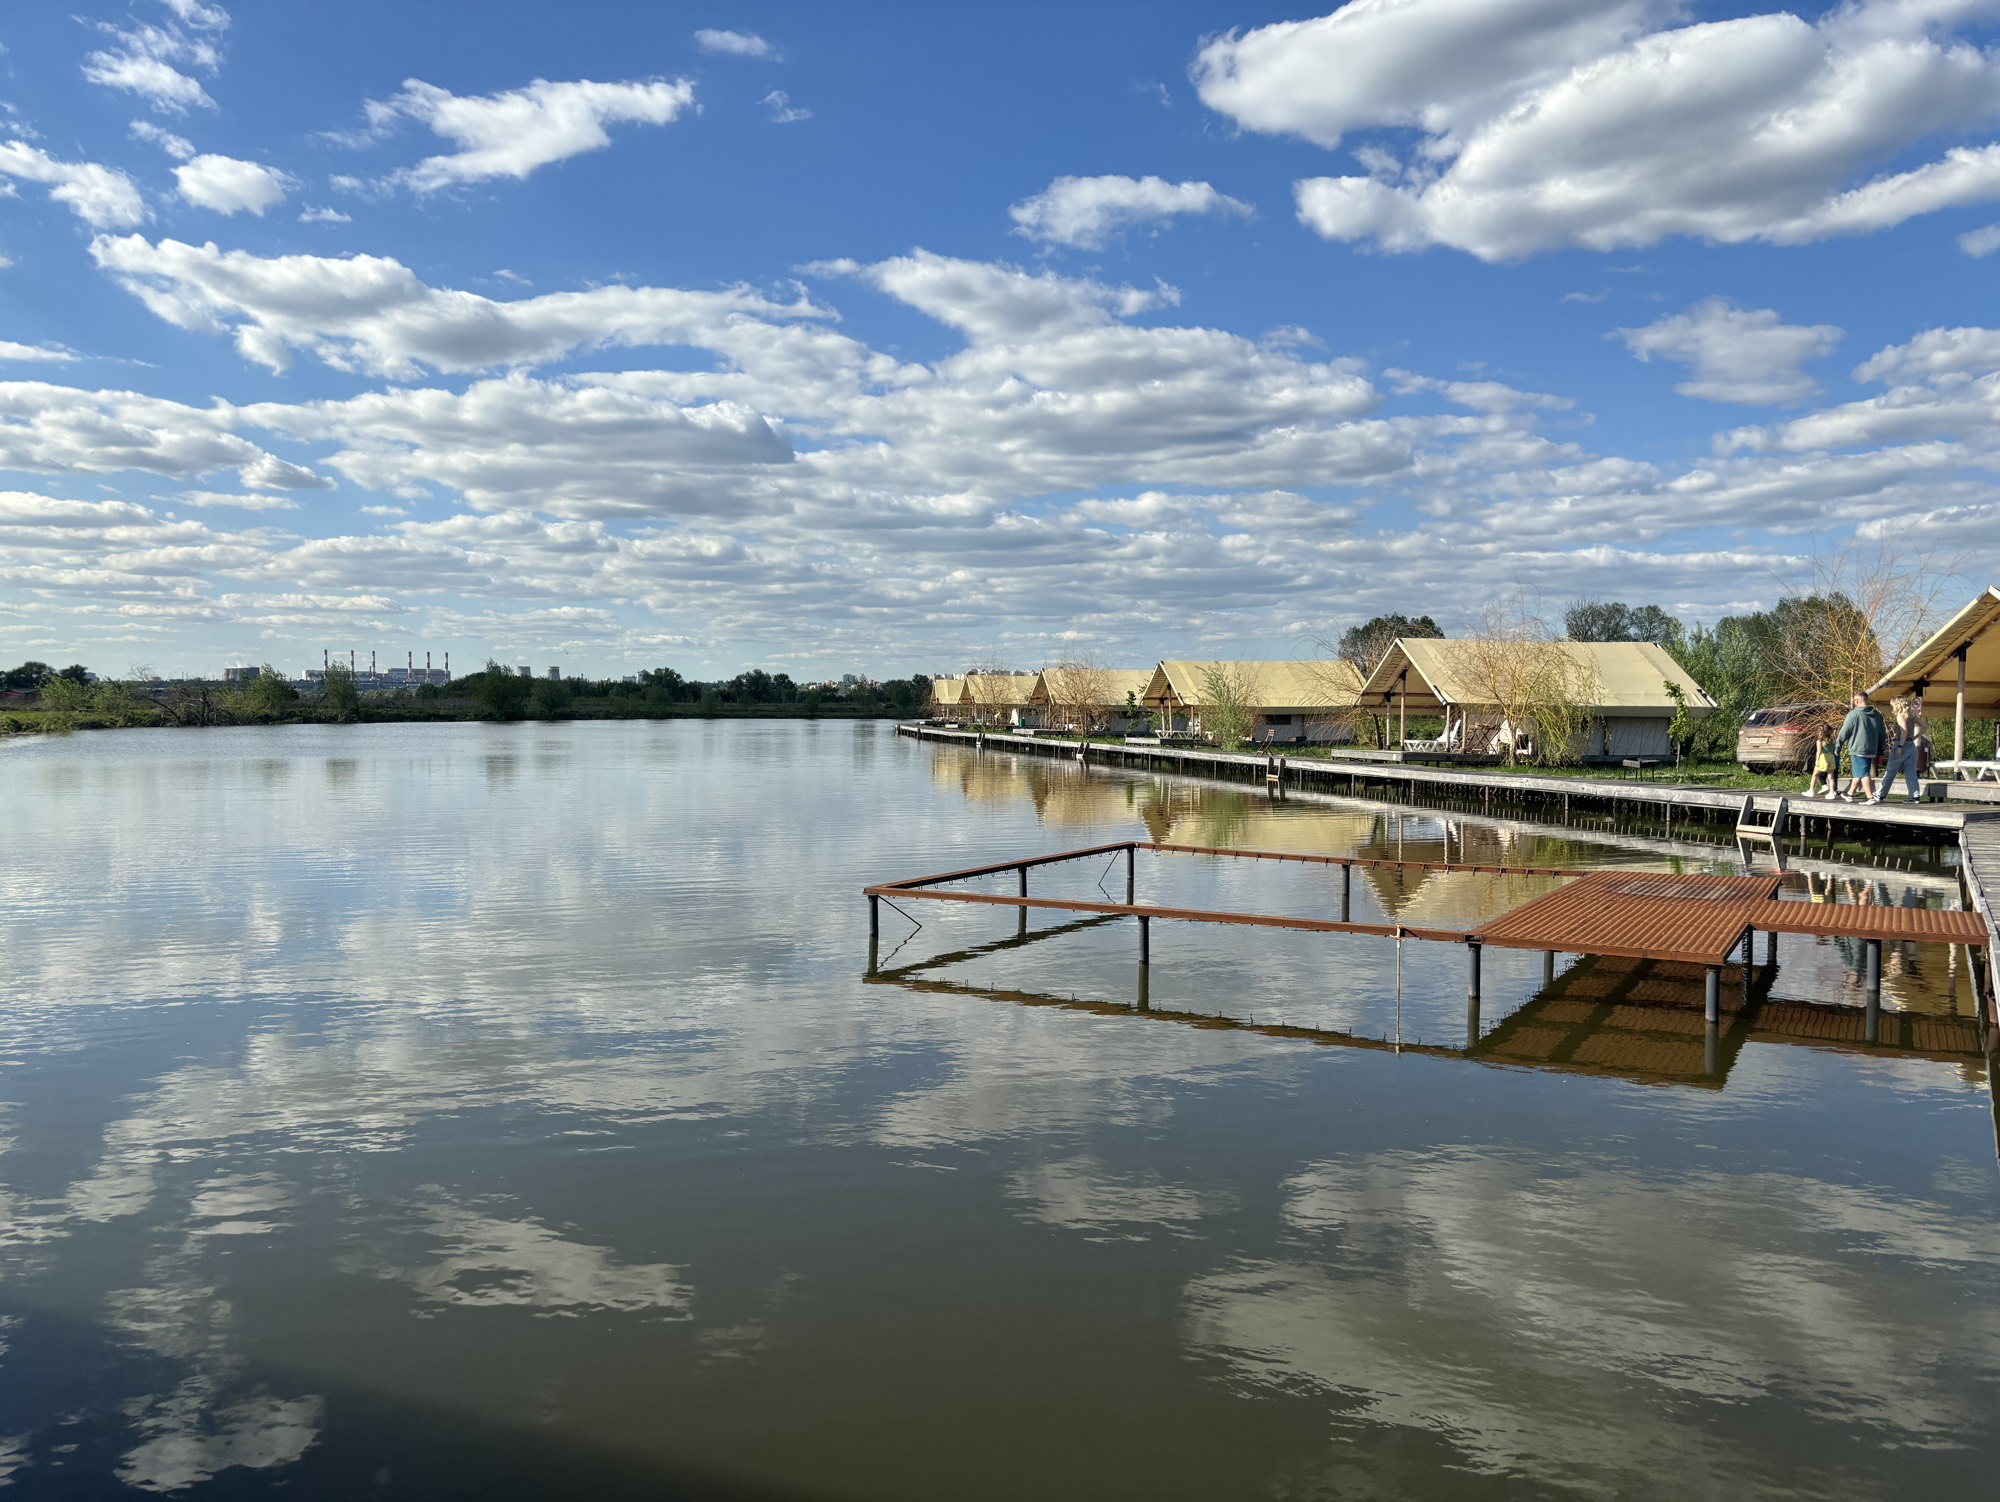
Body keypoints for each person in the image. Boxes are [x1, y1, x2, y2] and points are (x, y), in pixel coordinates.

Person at [1832, 690, 1886, 803]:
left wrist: (1838, 746)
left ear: (1857, 701)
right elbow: (1882, 734)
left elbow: (1844, 731)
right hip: (1872, 749)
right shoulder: (1877, 715)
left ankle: (1870, 797)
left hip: (1858, 748)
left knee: (1863, 774)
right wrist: (1881, 750)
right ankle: (1849, 794)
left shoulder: (1854, 714)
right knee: (1859, 772)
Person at [1872, 696, 1926, 805]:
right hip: (1911, 746)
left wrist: (1900, 747)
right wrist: (1915, 737)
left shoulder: (1900, 716)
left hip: (1902, 744)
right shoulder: (1912, 715)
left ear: (1897, 705)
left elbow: (1904, 732)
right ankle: (1914, 796)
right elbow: (1925, 727)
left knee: (1890, 770)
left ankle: (1880, 793)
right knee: (1911, 772)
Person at [1806, 725, 1839, 800]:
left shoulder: (1820, 741)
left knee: (1815, 774)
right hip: (1831, 757)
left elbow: (1819, 751)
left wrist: (1817, 760)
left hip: (1823, 757)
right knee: (1831, 777)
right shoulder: (1832, 740)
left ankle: (1811, 790)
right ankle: (1831, 792)